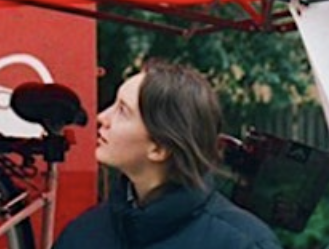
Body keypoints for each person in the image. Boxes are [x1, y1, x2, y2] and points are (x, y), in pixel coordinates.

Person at [54, 59, 282, 249]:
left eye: (123, 111)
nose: (102, 117)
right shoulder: (81, 235)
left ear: (160, 147)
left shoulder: (243, 244)